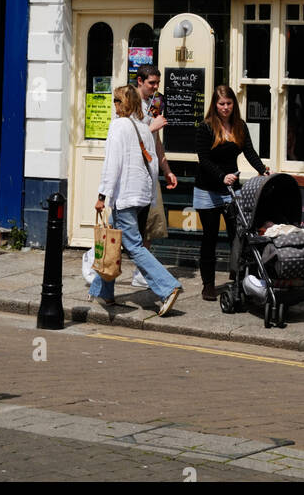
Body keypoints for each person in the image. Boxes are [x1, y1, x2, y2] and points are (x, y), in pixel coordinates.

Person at [91, 84, 182, 316]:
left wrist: (103, 195)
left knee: (133, 245)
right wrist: (150, 197)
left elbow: (112, 164)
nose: (114, 106)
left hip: (126, 197)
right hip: (142, 196)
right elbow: (152, 165)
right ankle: (103, 290)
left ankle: (168, 287)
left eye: (116, 101)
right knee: (115, 242)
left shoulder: (118, 126)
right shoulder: (143, 128)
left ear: (124, 104)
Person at [194, 85, 268, 300]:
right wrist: (221, 176)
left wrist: (262, 169)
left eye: (228, 103)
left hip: (231, 188)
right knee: (210, 236)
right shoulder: (206, 127)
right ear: (214, 105)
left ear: (234, 104)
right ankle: (208, 284)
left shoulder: (239, 126)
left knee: (238, 235)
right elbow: (204, 159)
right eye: (221, 104)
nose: (225, 108)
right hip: (208, 188)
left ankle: (238, 277)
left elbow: (250, 152)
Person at [130, 64, 177, 289]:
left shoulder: (155, 104)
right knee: (124, 225)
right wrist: (151, 128)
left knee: (150, 224)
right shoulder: (128, 103)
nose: (156, 87)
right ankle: (97, 263)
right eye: (152, 83)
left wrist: (166, 170)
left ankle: (141, 271)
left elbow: (156, 142)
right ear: (139, 81)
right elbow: (128, 139)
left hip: (151, 172)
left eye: (158, 83)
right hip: (132, 173)